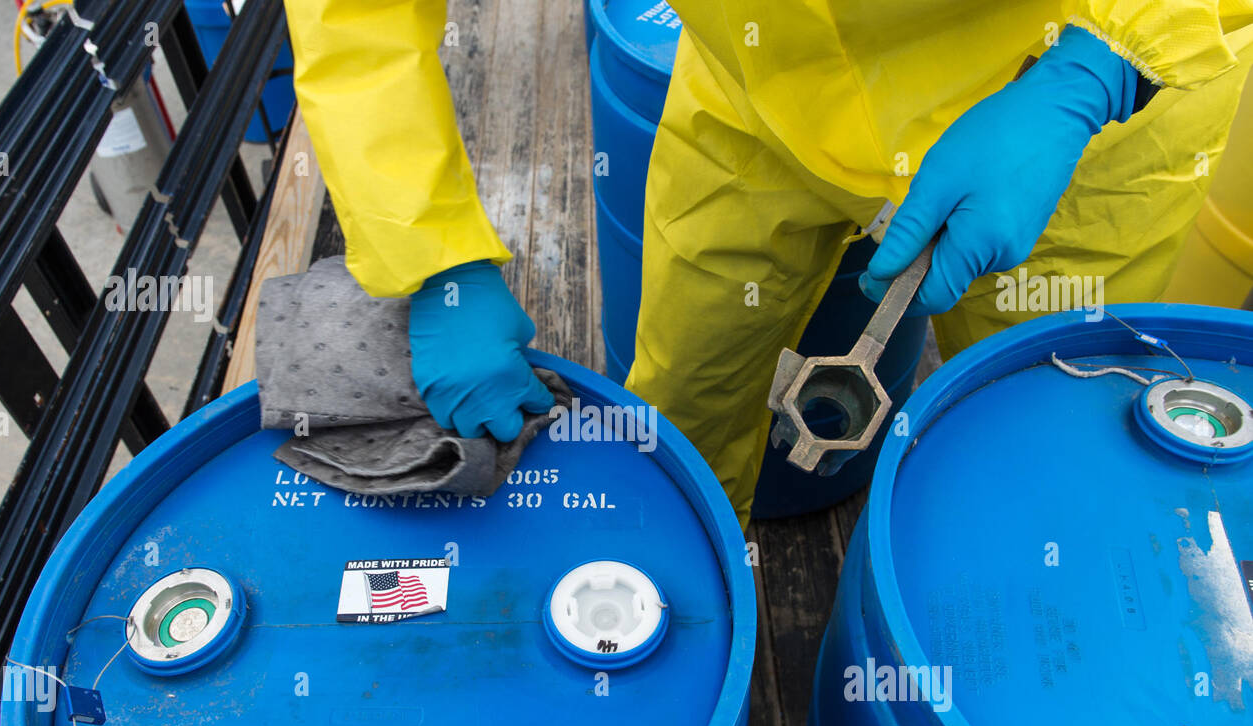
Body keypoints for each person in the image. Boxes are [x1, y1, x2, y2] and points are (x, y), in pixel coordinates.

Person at [284, 1, 1253, 528]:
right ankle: (673, 609)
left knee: (1030, 438)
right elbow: (354, 18)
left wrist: (1104, 65)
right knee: (680, 402)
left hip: (1062, 114)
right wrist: (431, 249)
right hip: (764, 80)